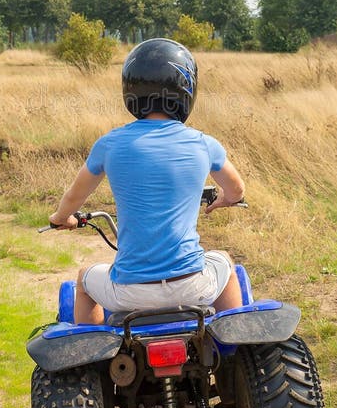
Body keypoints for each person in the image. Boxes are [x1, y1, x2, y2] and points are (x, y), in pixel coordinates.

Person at [49, 37, 246, 325]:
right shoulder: (204, 144)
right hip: (191, 286)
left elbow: (73, 198)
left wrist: (60, 218)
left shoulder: (109, 144)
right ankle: (235, 350)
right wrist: (227, 199)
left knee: (84, 280)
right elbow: (237, 189)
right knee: (225, 263)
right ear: (187, 89)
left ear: (130, 90)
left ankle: (90, 359)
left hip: (129, 293)